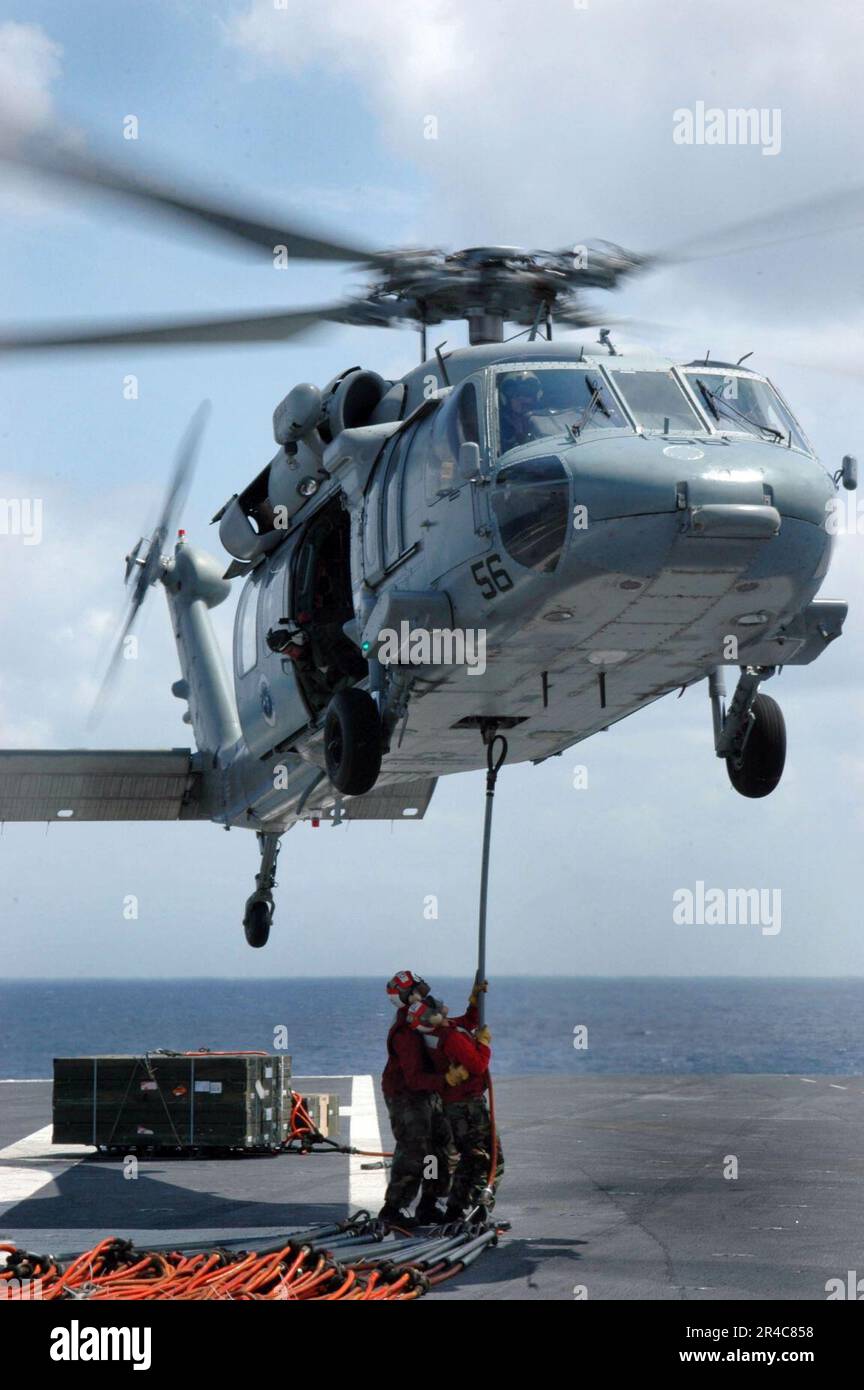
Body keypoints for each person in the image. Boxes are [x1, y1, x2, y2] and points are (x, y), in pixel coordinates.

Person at [406, 980, 504, 1222]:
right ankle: (478, 1208)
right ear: (431, 1018)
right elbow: (478, 1064)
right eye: (432, 1007)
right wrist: (484, 1044)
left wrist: (474, 1002)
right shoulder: (450, 1038)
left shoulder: (440, 1033)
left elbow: (466, 1023)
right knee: (491, 1157)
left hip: (454, 1105)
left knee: (470, 1157)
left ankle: (456, 1208)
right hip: (469, 1105)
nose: (437, 1004)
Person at [378, 970, 455, 1227]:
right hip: (406, 1095)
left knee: (438, 1146)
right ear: (408, 997)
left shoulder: (420, 1021)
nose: (425, 996)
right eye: (419, 993)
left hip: (427, 1092)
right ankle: (393, 1209)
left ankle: (430, 1203)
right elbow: (413, 1077)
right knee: (413, 1149)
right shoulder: (406, 1033)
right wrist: (445, 1081)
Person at [498, 371, 547, 453]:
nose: (521, 399)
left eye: (527, 393)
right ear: (506, 399)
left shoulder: (547, 419)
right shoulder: (501, 428)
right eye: (516, 395)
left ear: (536, 396)